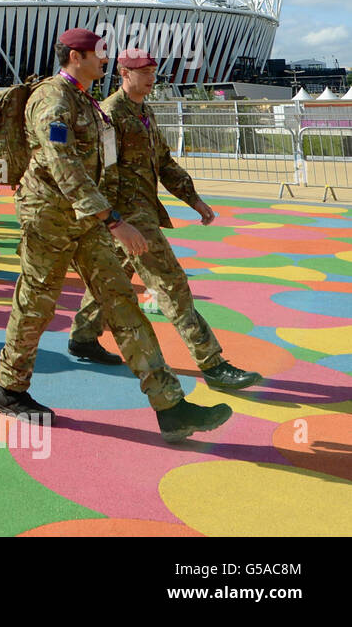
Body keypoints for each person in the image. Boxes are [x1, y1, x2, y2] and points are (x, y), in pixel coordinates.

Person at [0, 27, 232, 443]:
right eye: (99, 54)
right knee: (36, 304)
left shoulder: (86, 101)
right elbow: (61, 161)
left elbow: (102, 164)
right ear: (74, 56)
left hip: (88, 219)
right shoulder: (52, 99)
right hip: (49, 217)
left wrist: (111, 215)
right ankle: (10, 389)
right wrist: (113, 219)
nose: (105, 60)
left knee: (122, 303)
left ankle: (170, 406)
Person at [67, 48, 262, 390]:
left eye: (153, 71)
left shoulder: (145, 112)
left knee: (110, 277)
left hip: (141, 212)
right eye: (143, 72)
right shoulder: (110, 114)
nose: (151, 78)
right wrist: (113, 221)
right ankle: (212, 363)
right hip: (127, 217)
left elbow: (165, 162)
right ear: (124, 74)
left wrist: (194, 199)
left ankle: (83, 336)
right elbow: (104, 169)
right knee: (172, 285)